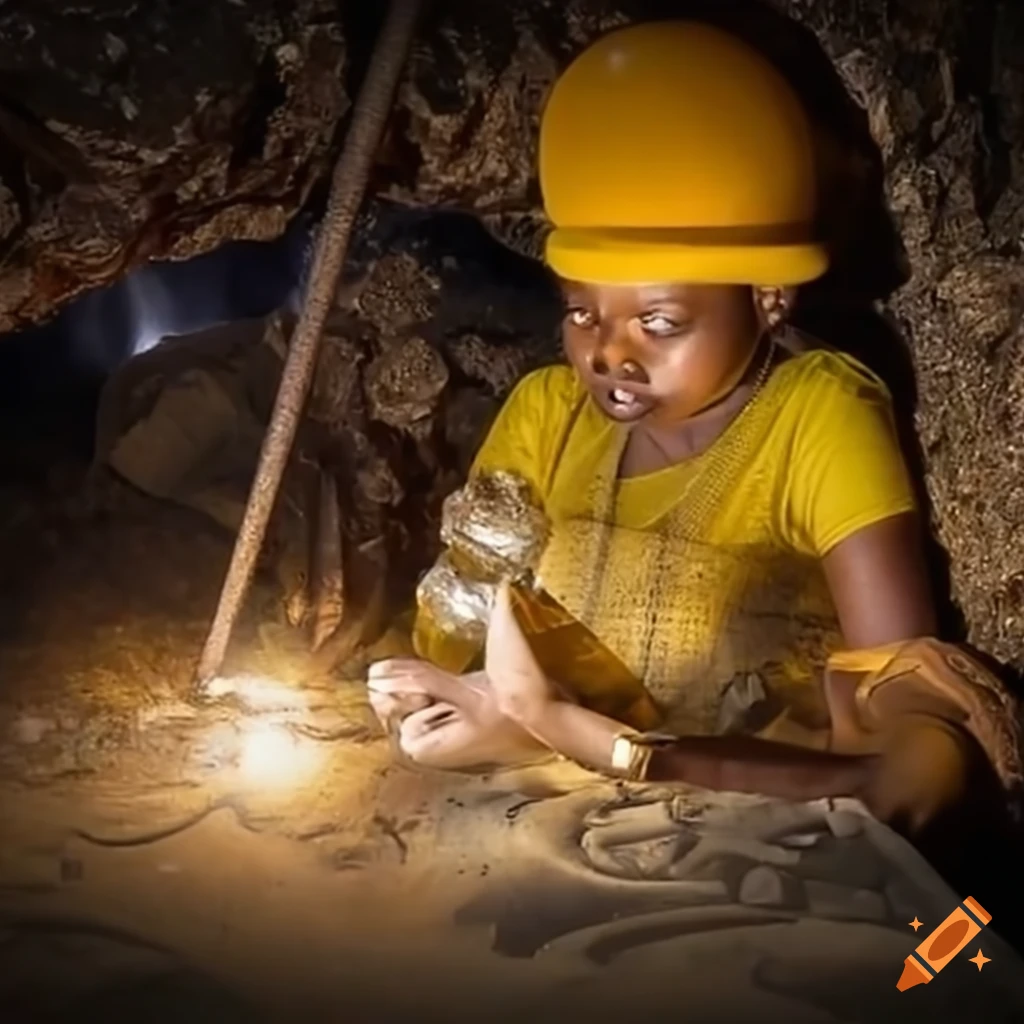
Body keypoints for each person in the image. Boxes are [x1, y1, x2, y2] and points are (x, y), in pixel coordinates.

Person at [366, 21, 1021, 841]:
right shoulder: (546, 414)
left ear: (767, 299)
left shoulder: (815, 416)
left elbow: (902, 727)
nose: (607, 353)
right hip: (551, 802)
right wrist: (474, 704)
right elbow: (456, 635)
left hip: (756, 823)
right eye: (581, 311)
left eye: (660, 321)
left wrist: (587, 737)